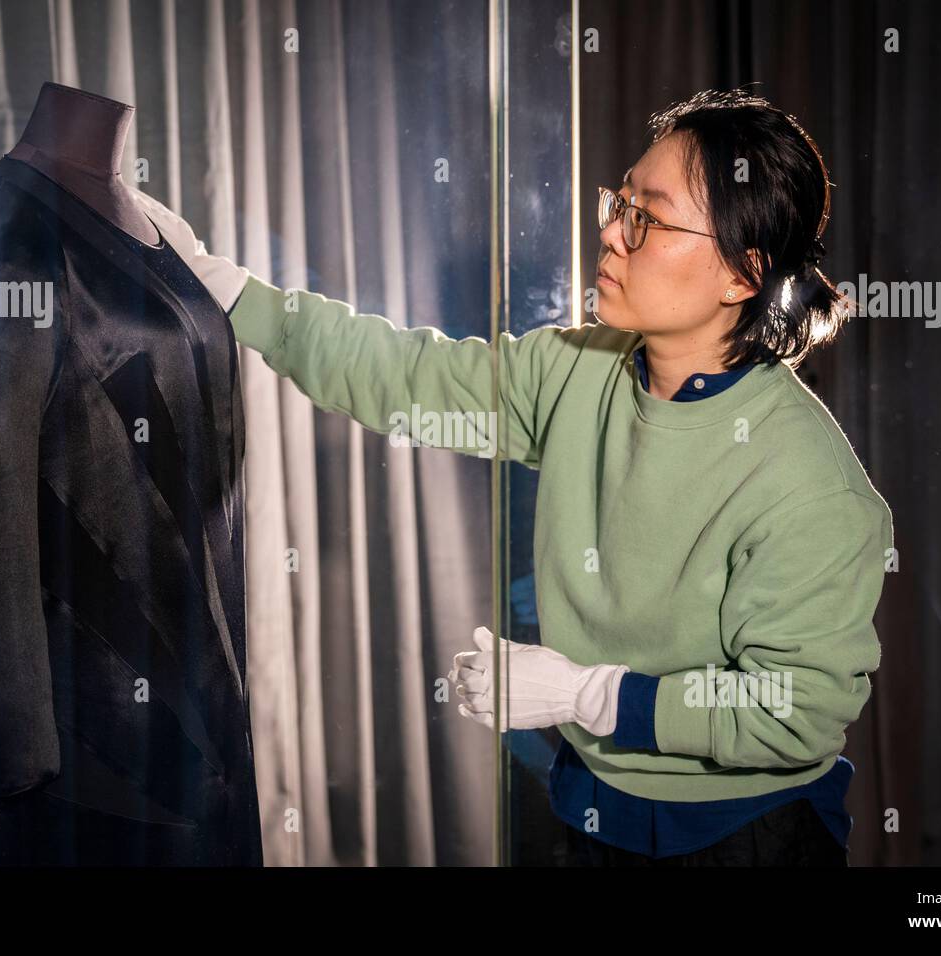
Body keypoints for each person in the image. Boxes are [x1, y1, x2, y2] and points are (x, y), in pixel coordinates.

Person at [140, 88, 894, 867]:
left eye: (649, 218)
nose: (610, 231)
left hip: (747, 840)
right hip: (593, 810)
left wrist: (591, 695)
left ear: (743, 275)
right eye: (619, 202)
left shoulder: (809, 484)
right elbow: (409, 381)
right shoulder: (577, 367)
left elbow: (796, 709)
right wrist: (229, 293)